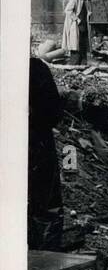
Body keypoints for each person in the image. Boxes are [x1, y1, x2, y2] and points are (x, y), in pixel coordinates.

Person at [28, 54, 64, 249]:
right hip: (36, 143)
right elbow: (53, 112)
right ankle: (45, 258)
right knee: (45, 204)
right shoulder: (35, 69)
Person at [61, 0, 91, 66]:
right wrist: (77, 19)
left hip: (83, 26)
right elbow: (68, 10)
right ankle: (74, 64)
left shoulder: (84, 0)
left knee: (83, 45)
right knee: (75, 45)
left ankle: (83, 64)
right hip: (76, 25)